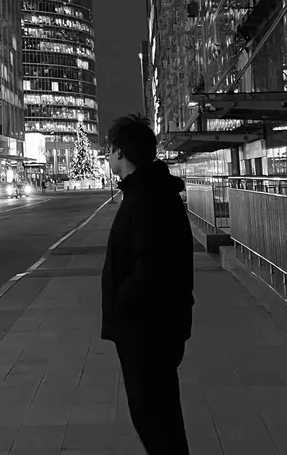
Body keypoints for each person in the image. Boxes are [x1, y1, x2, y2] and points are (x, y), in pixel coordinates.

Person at [101, 113, 194, 455]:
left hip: (147, 328)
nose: (107, 157)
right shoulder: (148, 191)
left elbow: (152, 264)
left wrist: (123, 303)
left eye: (109, 150)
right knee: (158, 414)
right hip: (152, 326)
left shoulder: (147, 196)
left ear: (121, 152)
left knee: (154, 417)